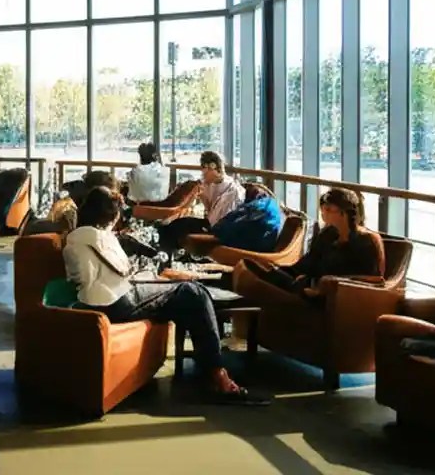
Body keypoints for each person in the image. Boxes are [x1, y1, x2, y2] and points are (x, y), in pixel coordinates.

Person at [63, 187, 269, 405]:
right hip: (117, 302)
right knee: (193, 292)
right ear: (110, 216)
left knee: (182, 298)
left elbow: (81, 278)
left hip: (101, 300)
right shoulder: (103, 238)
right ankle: (218, 376)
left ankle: (209, 369)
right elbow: (112, 275)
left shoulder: (74, 241)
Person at [235, 187, 384, 300]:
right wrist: (286, 271)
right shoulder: (328, 235)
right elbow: (308, 262)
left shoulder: (366, 240)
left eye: (328, 209)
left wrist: (330, 283)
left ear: (343, 213)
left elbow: (375, 279)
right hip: (308, 285)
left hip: (337, 296)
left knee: (264, 283)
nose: (323, 214)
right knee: (254, 268)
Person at [155, 151, 245, 251]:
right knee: (174, 226)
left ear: (212, 167)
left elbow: (217, 221)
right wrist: (200, 196)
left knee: (178, 228)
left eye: (204, 170)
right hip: (211, 223)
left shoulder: (232, 190)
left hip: (219, 229)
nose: (202, 173)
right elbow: (208, 211)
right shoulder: (208, 184)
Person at [209, 183, 284, 253]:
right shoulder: (271, 204)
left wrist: (217, 231)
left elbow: (229, 227)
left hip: (254, 246)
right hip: (267, 243)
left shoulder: (254, 207)